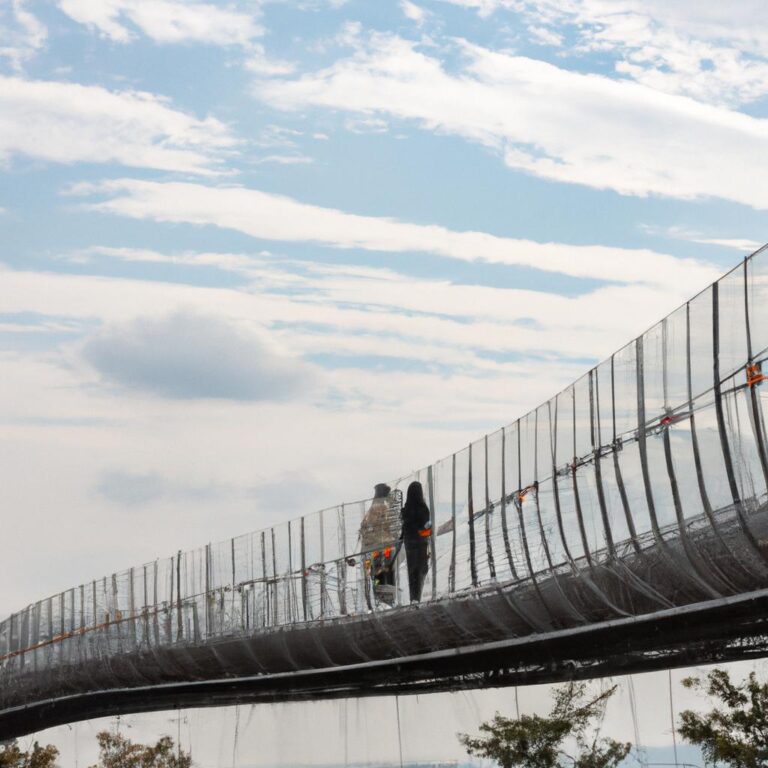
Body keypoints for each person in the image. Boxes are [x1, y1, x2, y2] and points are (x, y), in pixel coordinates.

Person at [360, 483, 397, 594]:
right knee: (383, 572)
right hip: (379, 546)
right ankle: (384, 595)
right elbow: (385, 526)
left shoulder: (373, 508)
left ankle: (379, 593)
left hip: (374, 547)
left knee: (377, 573)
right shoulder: (381, 507)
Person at [400, 480, 431, 603]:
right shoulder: (423, 509)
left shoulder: (405, 511)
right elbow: (426, 527)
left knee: (412, 571)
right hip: (421, 544)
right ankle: (420, 597)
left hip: (409, 545)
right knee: (422, 569)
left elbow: (403, 529)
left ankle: (413, 598)